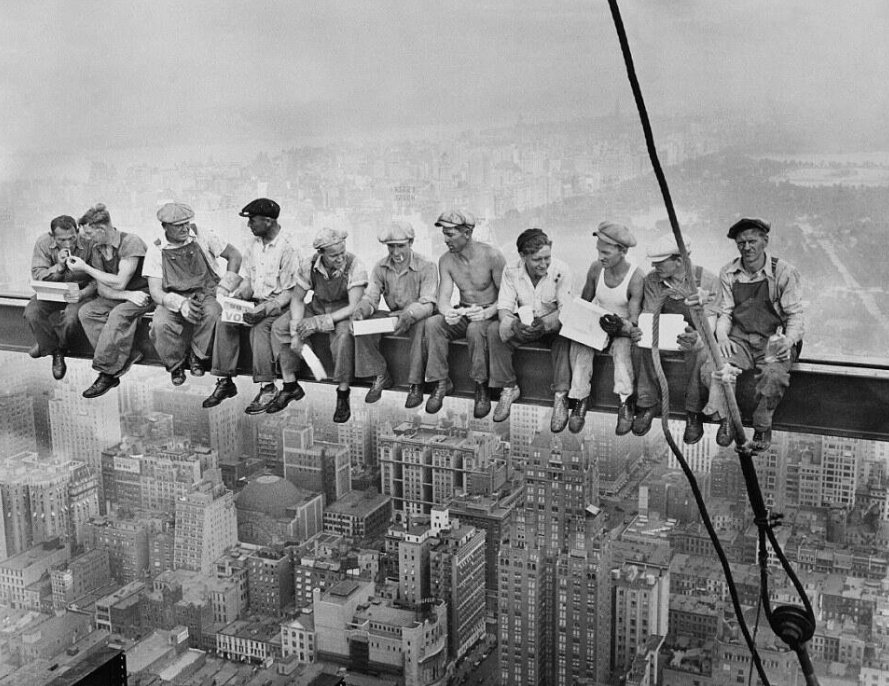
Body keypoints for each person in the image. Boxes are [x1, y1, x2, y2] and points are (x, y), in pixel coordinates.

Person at [702, 217, 804, 452]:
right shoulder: (728, 272)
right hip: (741, 339)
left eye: (751, 241)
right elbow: (725, 312)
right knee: (715, 367)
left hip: (774, 340)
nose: (746, 248)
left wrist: (787, 341)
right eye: (741, 243)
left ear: (764, 241)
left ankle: (762, 425)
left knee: (773, 375)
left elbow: (795, 315)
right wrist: (723, 338)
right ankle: (727, 418)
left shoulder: (783, 272)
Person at [202, 198, 299, 414]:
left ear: (267, 221)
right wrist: (237, 298)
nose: (249, 225)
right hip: (256, 302)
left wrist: (265, 309)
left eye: (252, 221)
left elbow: (290, 292)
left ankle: (268, 387)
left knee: (260, 328)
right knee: (225, 320)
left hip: (280, 306)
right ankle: (225, 380)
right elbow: (249, 280)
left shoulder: (288, 247)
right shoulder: (253, 246)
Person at [271, 227, 368, 423]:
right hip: (317, 306)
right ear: (321, 254)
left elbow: (353, 306)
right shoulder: (309, 265)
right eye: (334, 256)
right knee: (280, 327)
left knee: (343, 337)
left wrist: (317, 323)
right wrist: (296, 331)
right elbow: (298, 299)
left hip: (342, 312)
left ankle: (342, 392)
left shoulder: (355, 265)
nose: (340, 258)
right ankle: (290, 384)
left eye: (342, 253)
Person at [631, 234, 720, 444]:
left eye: (660, 262)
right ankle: (648, 402)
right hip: (664, 335)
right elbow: (650, 313)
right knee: (641, 345)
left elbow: (711, 322)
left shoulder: (707, 280)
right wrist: (643, 331)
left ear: (679, 260)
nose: (654, 266)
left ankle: (693, 412)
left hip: (694, 336)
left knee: (700, 351)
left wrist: (697, 337)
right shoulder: (653, 280)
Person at [144, 202, 242, 386]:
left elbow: (235, 256)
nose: (185, 228)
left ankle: (197, 356)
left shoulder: (202, 234)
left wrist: (224, 288)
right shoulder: (156, 249)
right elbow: (156, 291)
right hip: (174, 296)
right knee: (159, 324)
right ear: (165, 227)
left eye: (186, 222)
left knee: (213, 314)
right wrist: (180, 304)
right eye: (178, 225)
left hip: (206, 292)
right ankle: (175, 365)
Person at [488, 228, 573, 430]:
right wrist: (515, 325)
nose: (543, 264)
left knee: (564, 338)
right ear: (523, 256)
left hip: (552, 324)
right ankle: (509, 387)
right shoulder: (511, 271)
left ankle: (561, 396)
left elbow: (566, 310)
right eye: (537, 260)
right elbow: (505, 308)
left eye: (547, 258)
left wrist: (545, 325)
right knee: (494, 331)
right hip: (525, 323)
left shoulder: (562, 271)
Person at [424, 210, 506, 418]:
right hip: (465, 309)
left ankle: (481, 387)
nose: (445, 240)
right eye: (444, 234)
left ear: (467, 233)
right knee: (434, 324)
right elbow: (443, 298)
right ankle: (441, 382)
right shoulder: (446, 261)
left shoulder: (493, 257)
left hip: (489, 313)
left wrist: (487, 312)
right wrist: (448, 312)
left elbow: (507, 297)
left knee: (475, 329)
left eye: (450, 234)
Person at [67, 203, 154, 398]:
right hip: (126, 296)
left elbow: (119, 281)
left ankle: (106, 373)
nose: (87, 239)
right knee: (87, 312)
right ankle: (126, 355)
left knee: (118, 315)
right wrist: (126, 296)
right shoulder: (98, 248)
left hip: (144, 294)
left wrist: (86, 268)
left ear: (102, 229)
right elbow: (103, 287)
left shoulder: (131, 242)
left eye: (89, 234)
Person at [567, 221, 644, 434]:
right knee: (580, 345)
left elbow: (635, 319)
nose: (601, 256)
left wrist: (621, 325)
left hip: (621, 328)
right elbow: (584, 301)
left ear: (622, 251)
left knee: (621, 351)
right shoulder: (596, 269)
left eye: (606, 252)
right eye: (599, 251)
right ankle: (581, 398)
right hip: (598, 322)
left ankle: (625, 401)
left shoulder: (636, 277)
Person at [351, 221, 438, 408]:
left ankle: (415, 384)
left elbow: (428, 302)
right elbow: (371, 297)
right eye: (391, 247)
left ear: (411, 243)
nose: (396, 252)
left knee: (421, 328)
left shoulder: (427, 266)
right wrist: (362, 310)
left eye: (401, 246)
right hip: (395, 315)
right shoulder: (381, 267)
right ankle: (380, 373)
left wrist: (410, 314)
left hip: (418, 315)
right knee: (362, 327)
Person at [25, 215, 97, 380]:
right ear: (52, 236)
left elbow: (97, 278)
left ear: (77, 232)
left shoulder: (89, 243)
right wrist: (58, 267)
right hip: (51, 290)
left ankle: (51, 346)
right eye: (62, 240)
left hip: (80, 291)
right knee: (32, 313)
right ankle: (53, 349)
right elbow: (38, 275)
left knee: (71, 319)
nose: (68, 244)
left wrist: (83, 293)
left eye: (72, 238)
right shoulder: (43, 243)